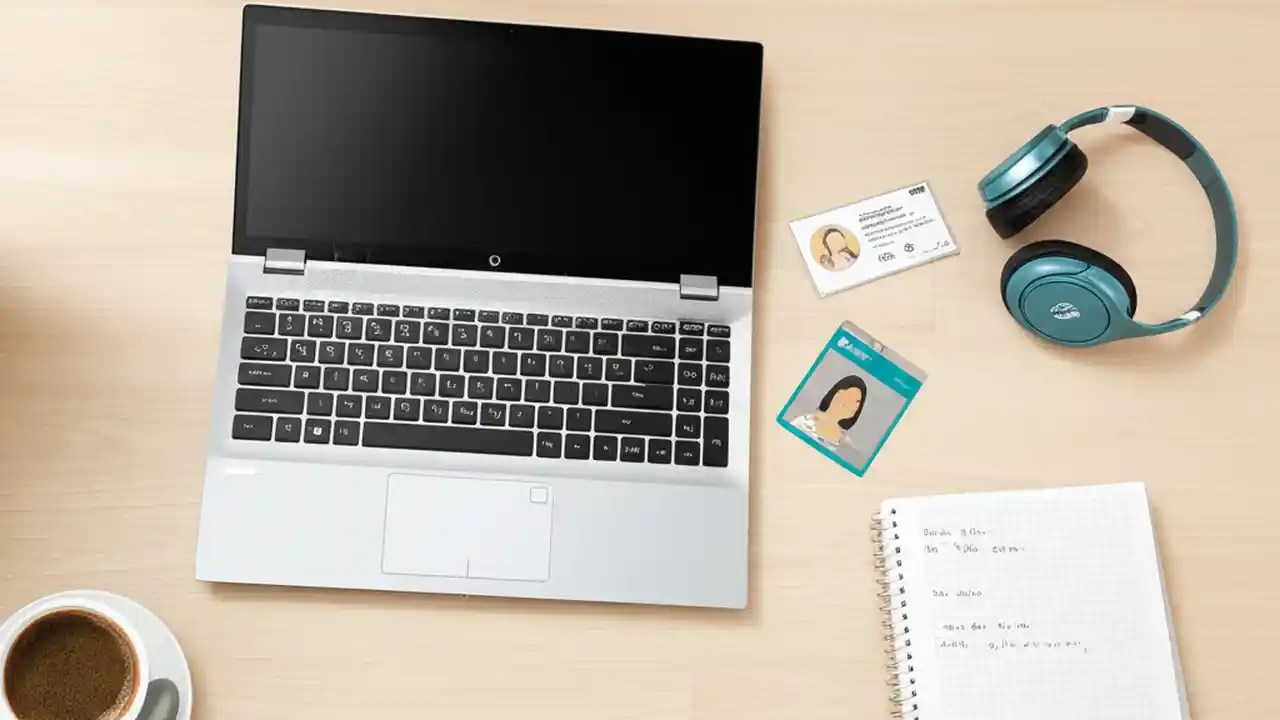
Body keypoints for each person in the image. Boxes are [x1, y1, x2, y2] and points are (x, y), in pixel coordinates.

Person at [790, 375, 868, 447]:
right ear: (837, 393)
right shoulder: (802, 424)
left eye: (858, 401)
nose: (855, 405)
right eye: (851, 398)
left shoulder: (846, 445)